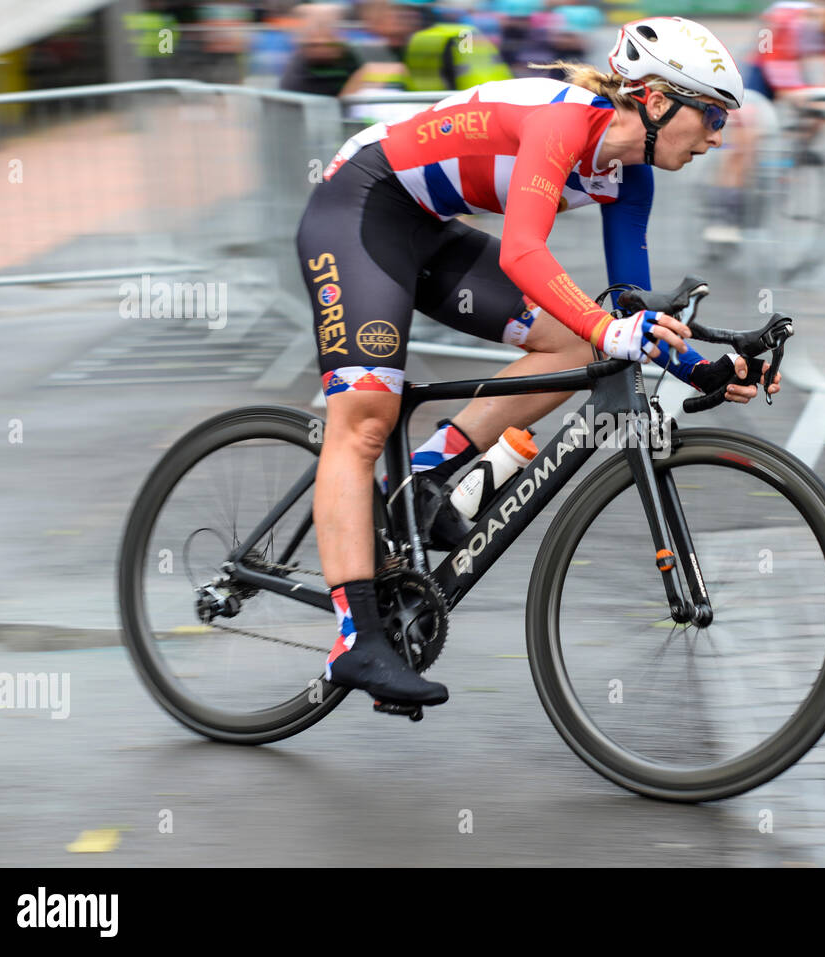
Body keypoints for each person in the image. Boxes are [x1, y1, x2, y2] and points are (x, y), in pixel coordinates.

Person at [295, 16, 782, 709]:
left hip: (428, 229)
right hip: (360, 206)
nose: (718, 136)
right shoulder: (563, 126)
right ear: (652, 98)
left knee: (577, 341)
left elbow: (627, 307)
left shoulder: (630, 177)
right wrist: (611, 326)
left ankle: (427, 478)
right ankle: (355, 638)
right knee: (365, 421)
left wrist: (705, 369)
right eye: (708, 114)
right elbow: (524, 251)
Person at [707, 0, 825, 245]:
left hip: (792, 67)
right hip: (761, 70)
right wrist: (797, 97)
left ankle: (786, 168)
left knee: (819, 118)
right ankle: (723, 216)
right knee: (745, 144)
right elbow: (774, 65)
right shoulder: (790, 20)